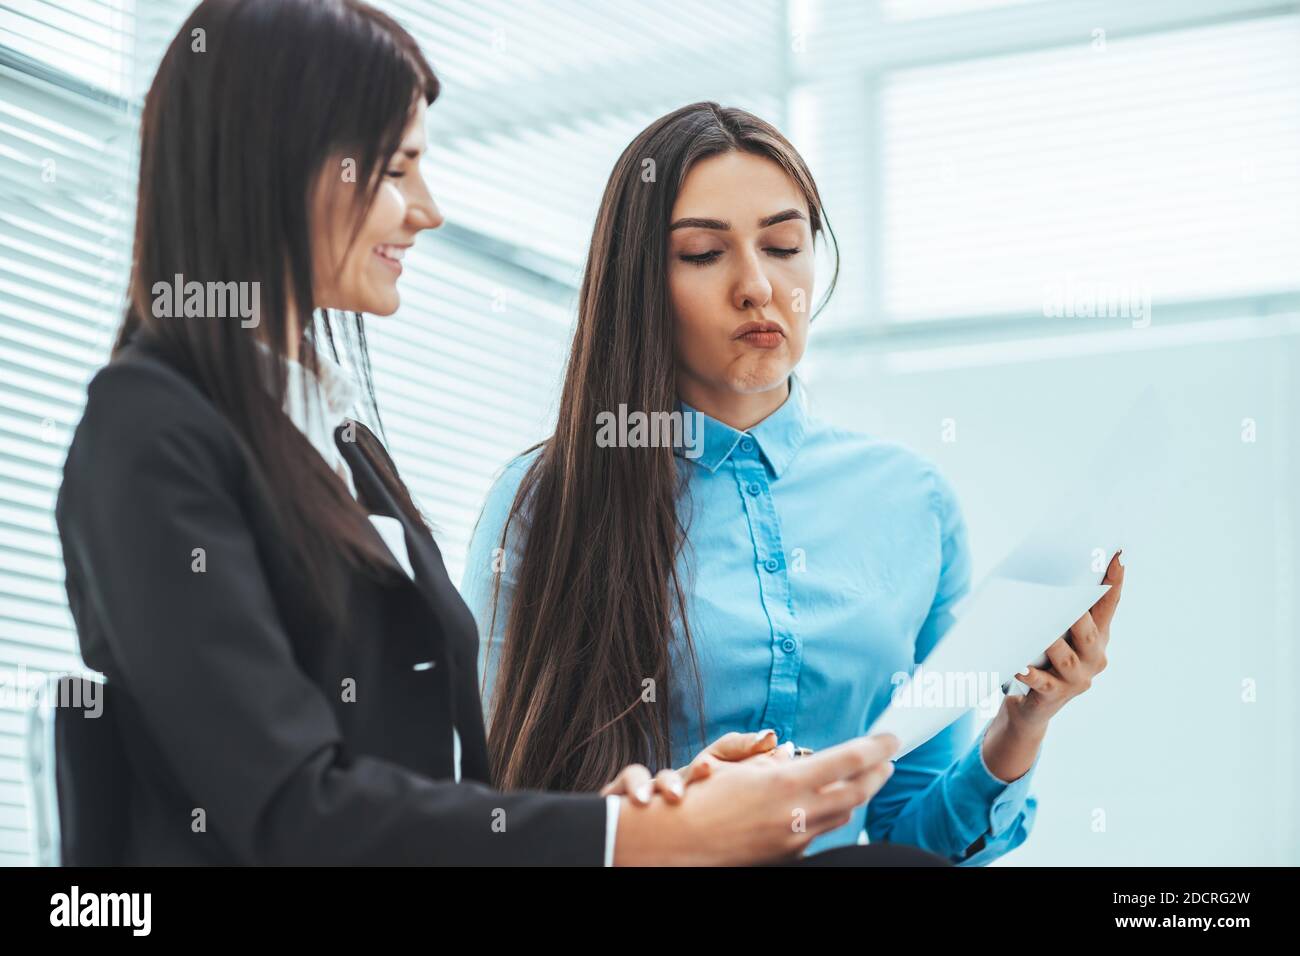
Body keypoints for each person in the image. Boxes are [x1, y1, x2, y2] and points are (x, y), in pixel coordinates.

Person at [54, 0, 903, 866]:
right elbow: (289, 812)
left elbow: (437, 793)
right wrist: (636, 836)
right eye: (396, 170)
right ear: (276, 168)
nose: (428, 211)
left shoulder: (332, 437)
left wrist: (648, 806)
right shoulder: (150, 436)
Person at [464, 102, 1126, 864]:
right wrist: (686, 814)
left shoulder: (912, 503)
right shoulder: (548, 499)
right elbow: (495, 817)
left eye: (784, 245)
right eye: (705, 254)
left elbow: (915, 839)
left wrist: (1023, 723)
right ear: (639, 282)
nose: (758, 286)